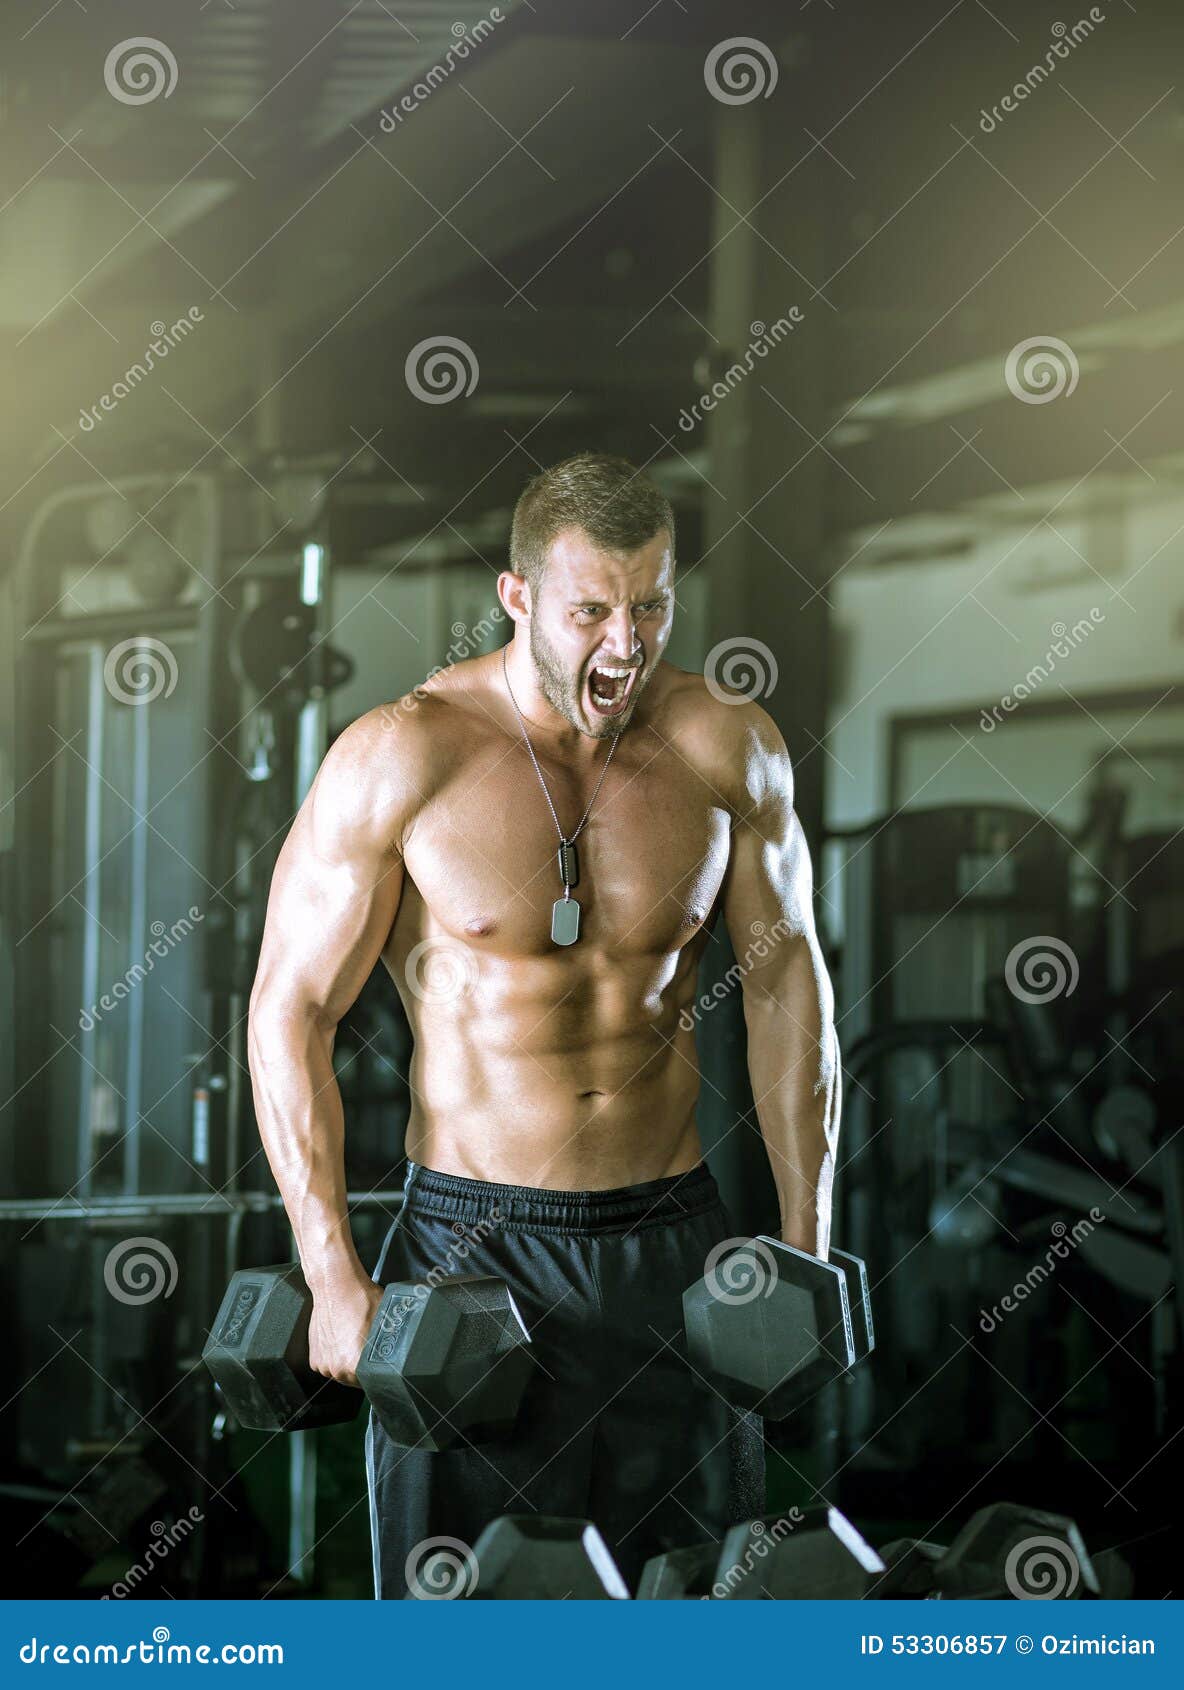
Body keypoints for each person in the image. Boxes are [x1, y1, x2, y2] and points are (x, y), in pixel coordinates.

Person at [248, 451, 840, 1597]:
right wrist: (330, 1272)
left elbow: (786, 991)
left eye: (651, 604)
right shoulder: (404, 752)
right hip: (469, 1253)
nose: (624, 643)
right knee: (469, 1623)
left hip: (672, 1239)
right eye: (589, 610)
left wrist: (805, 1245)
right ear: (517, 597)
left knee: (692, 1605)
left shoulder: (726, 748)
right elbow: (290, 1008)